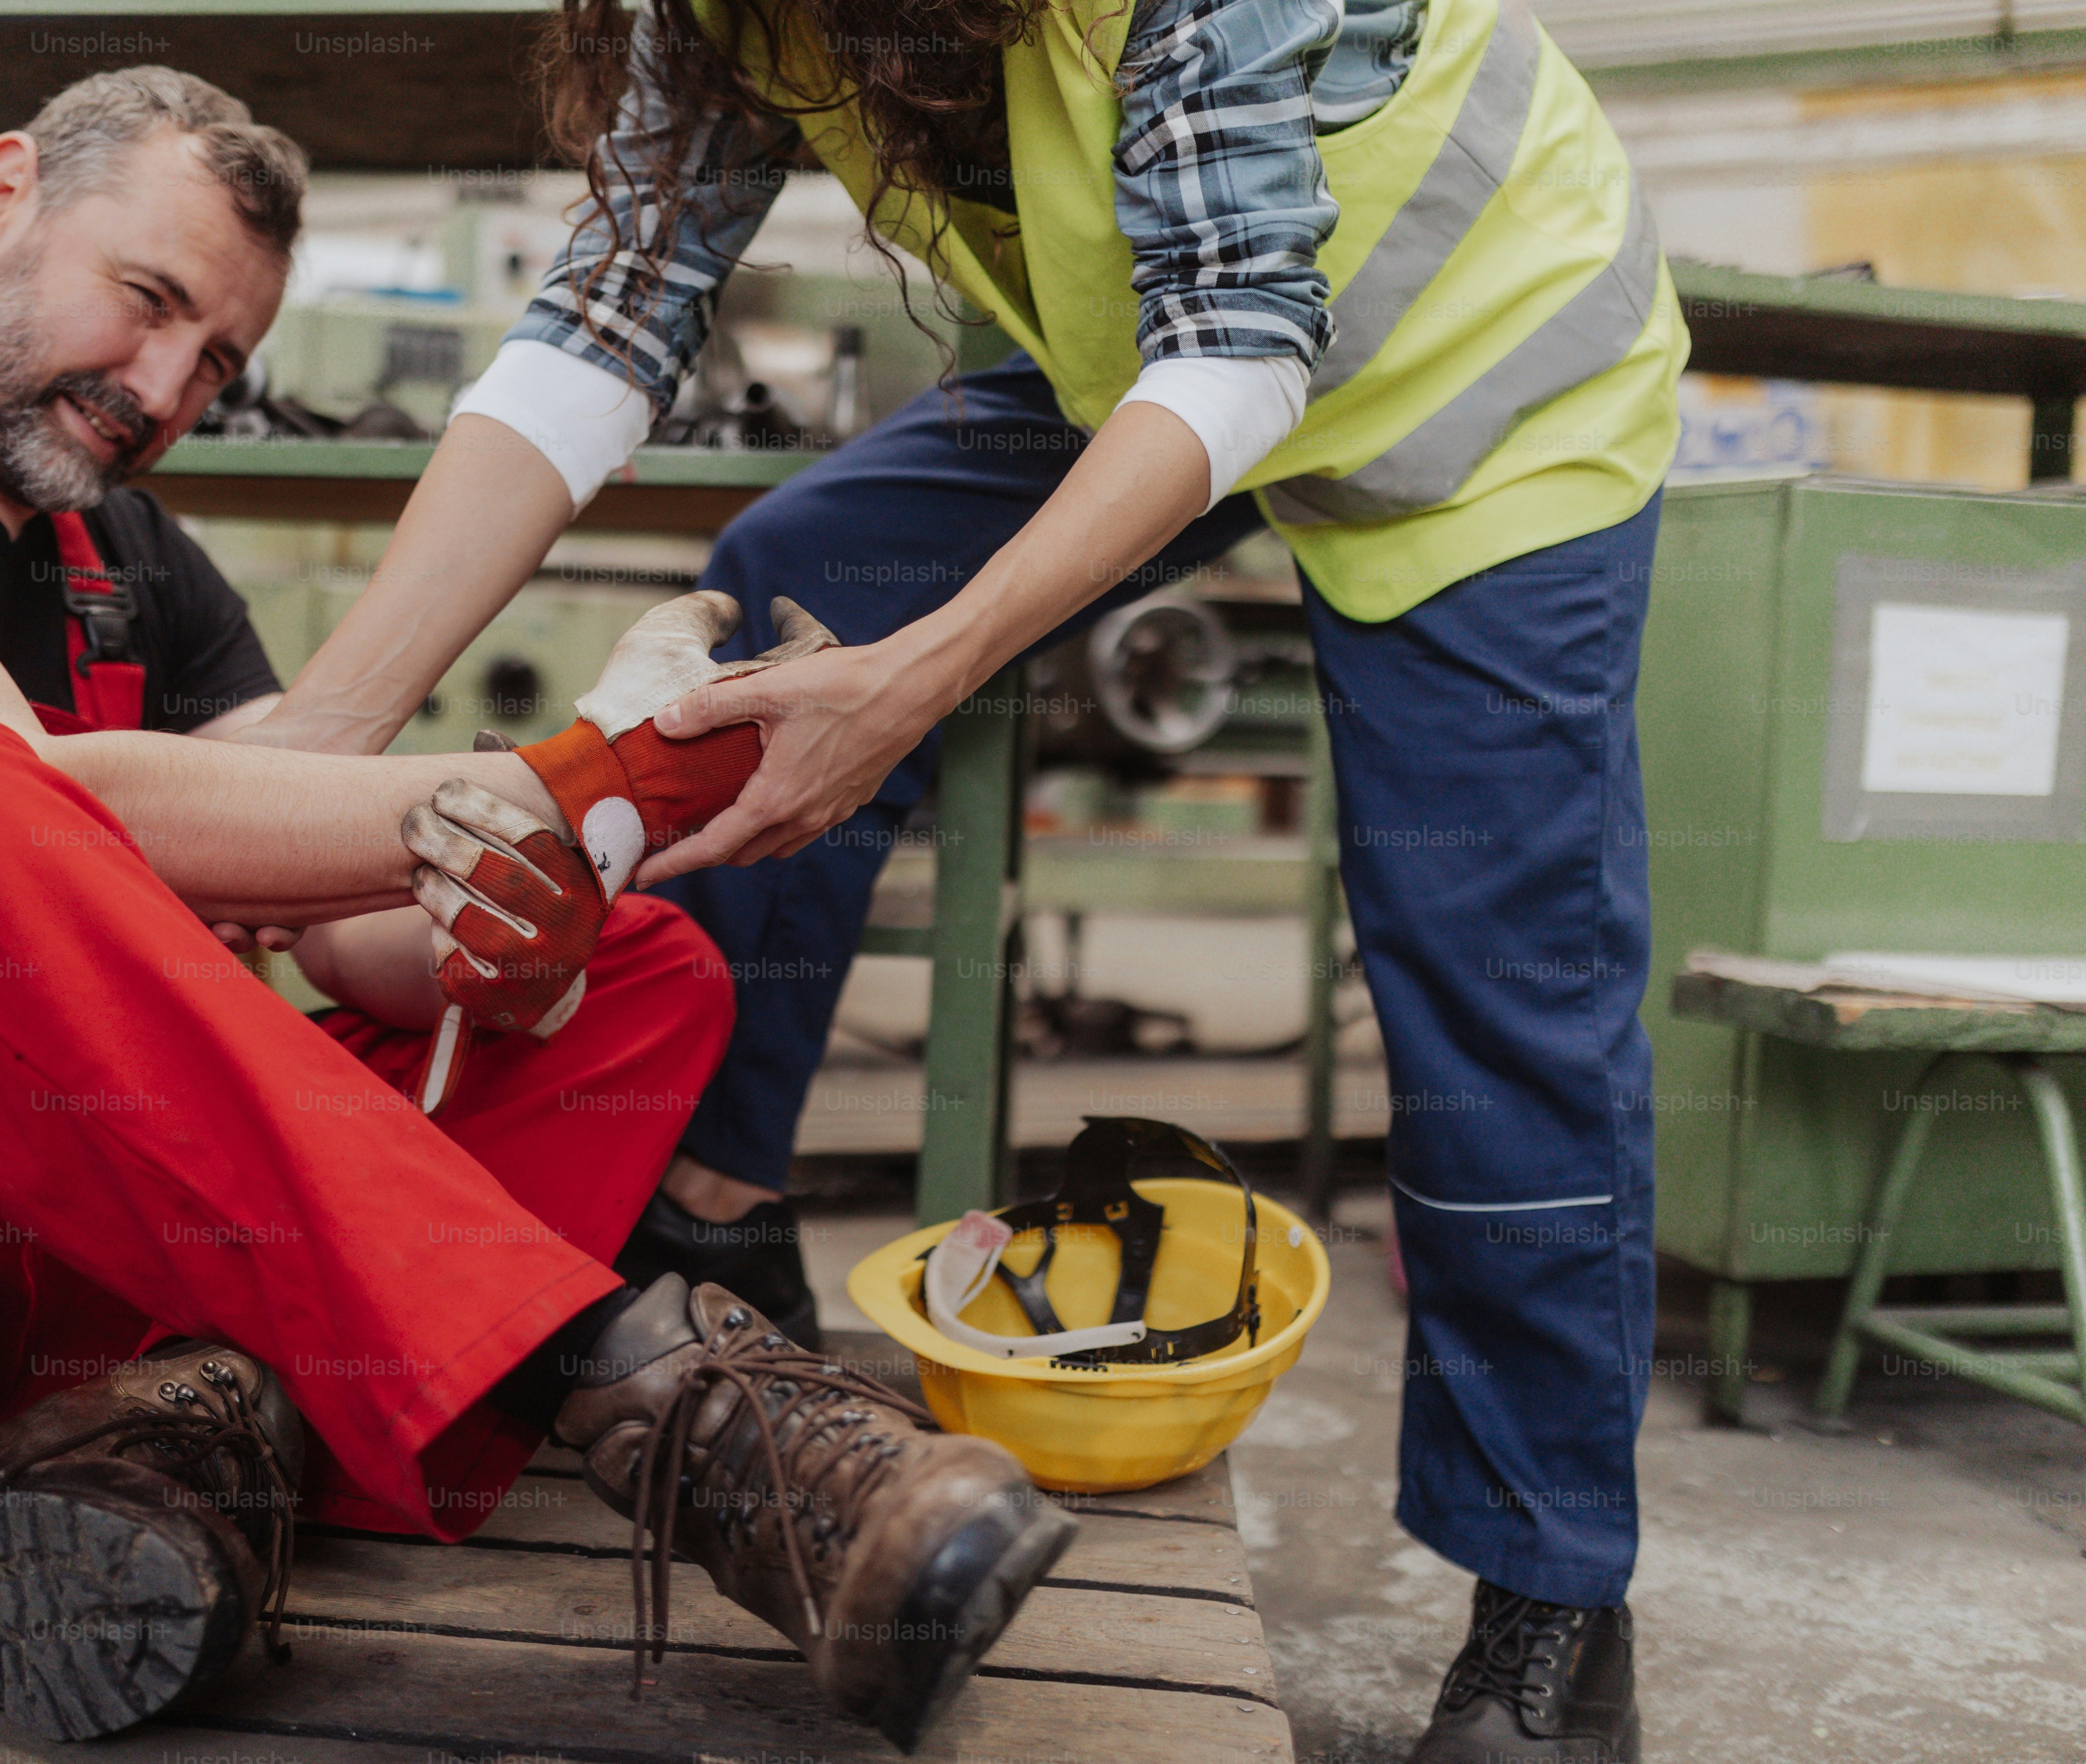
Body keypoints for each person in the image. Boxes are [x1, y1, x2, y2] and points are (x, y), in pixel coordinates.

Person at [0, 68, 1073, 1747]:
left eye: (222, 360)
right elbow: (25, 796)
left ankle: (177, 1432)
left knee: (643, 971)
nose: (161, 388)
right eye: (149, 301)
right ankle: (635, 1388)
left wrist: (530, 901)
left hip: (45, 1266)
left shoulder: (135, 567)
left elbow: (340, 916)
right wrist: (592, 783)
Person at [248, 1, 1684, 1759]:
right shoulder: (710, 8)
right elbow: (606, 321)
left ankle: (1551, 1607)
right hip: (1148, 345)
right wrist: (327, 732)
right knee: (803, 579)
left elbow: (1248, 339)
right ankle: (718, 1217)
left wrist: (920, 679)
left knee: (1495, 977)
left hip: (1483, 364)